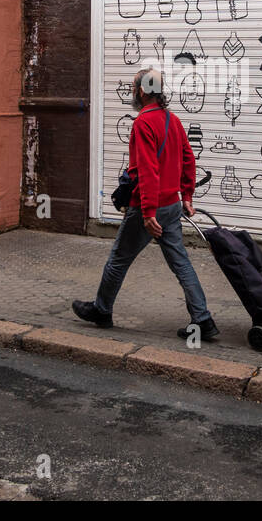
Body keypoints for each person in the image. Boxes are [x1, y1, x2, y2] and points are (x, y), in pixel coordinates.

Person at [73, 63, 219, 341]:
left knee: (118, 259)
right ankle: (203, 319)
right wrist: (186, 196)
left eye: (132, 87)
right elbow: (189, 159)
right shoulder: (172, 120)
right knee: (181, 263)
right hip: (172, 205)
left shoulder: (142, 123)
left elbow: (148, 170)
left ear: (141, 91)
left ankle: (102, 310)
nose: (131, 91)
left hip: (147, 208)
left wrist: (149, 211)